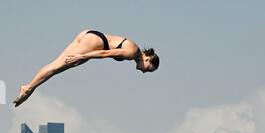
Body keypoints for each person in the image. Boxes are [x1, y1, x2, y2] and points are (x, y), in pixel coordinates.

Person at [13, 29, 160, 107]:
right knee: (57, 67)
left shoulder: (134, 52)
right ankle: (28, 88)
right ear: (147, 58)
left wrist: (83, 58)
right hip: (95, 41)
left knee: (56, 65)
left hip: (90, 35)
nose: (144, 71)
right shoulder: (132, 52)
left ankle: (29, 87)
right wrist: (83, 56)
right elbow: (104, 53)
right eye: (148, 68)